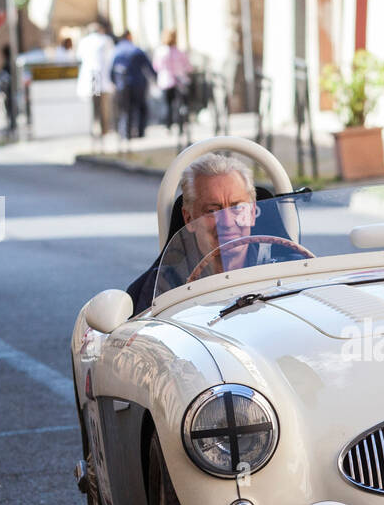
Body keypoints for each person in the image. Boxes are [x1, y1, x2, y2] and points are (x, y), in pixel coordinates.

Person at [126, 154, 294, 313]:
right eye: (213, 211)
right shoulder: (165, 286)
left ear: (251, 213)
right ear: (189, 218)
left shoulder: (287, 267)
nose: (227, 223)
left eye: (237, 208)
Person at [110, 29, 155, 139]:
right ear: (129, 36)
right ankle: (140, 132)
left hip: (122, 84)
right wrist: (155, 77)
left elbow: (111, 70)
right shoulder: (136, 50)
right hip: (138, 83)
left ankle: (125, 133)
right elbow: (148, 66)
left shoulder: (116, 51)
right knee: (140, 108)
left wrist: (113, 82)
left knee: (125, 109)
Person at [76, 22, 115, 138]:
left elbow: (79, 57)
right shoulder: (105, 40)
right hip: (101, 76)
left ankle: (94, 127)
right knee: (103, 104)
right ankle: (104, 129)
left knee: (93, 104)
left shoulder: (84, 42)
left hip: (91, 77)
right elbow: (111, 57)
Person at [152, 29, 192, 132]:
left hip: (166, 81)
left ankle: (168, 126)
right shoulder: (179, 52)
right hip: (179, 81)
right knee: (179, 104)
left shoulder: (160, 52)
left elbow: (156, 67)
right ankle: (180, 124)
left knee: (167, 105)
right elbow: (188, 67)